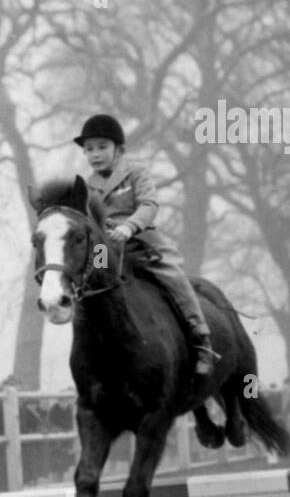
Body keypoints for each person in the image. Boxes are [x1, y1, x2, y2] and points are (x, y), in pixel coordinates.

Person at [75, 113, 219, 375]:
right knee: (89, 280)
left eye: (102, 147)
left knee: (172, 274)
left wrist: (129, 226)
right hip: (105, 246)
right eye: (89, 149)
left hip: (141, 238)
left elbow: (149, 204)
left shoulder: (135, 172)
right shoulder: (87, 185)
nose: (95, 154)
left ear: (119, 150)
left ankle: (201, 338)